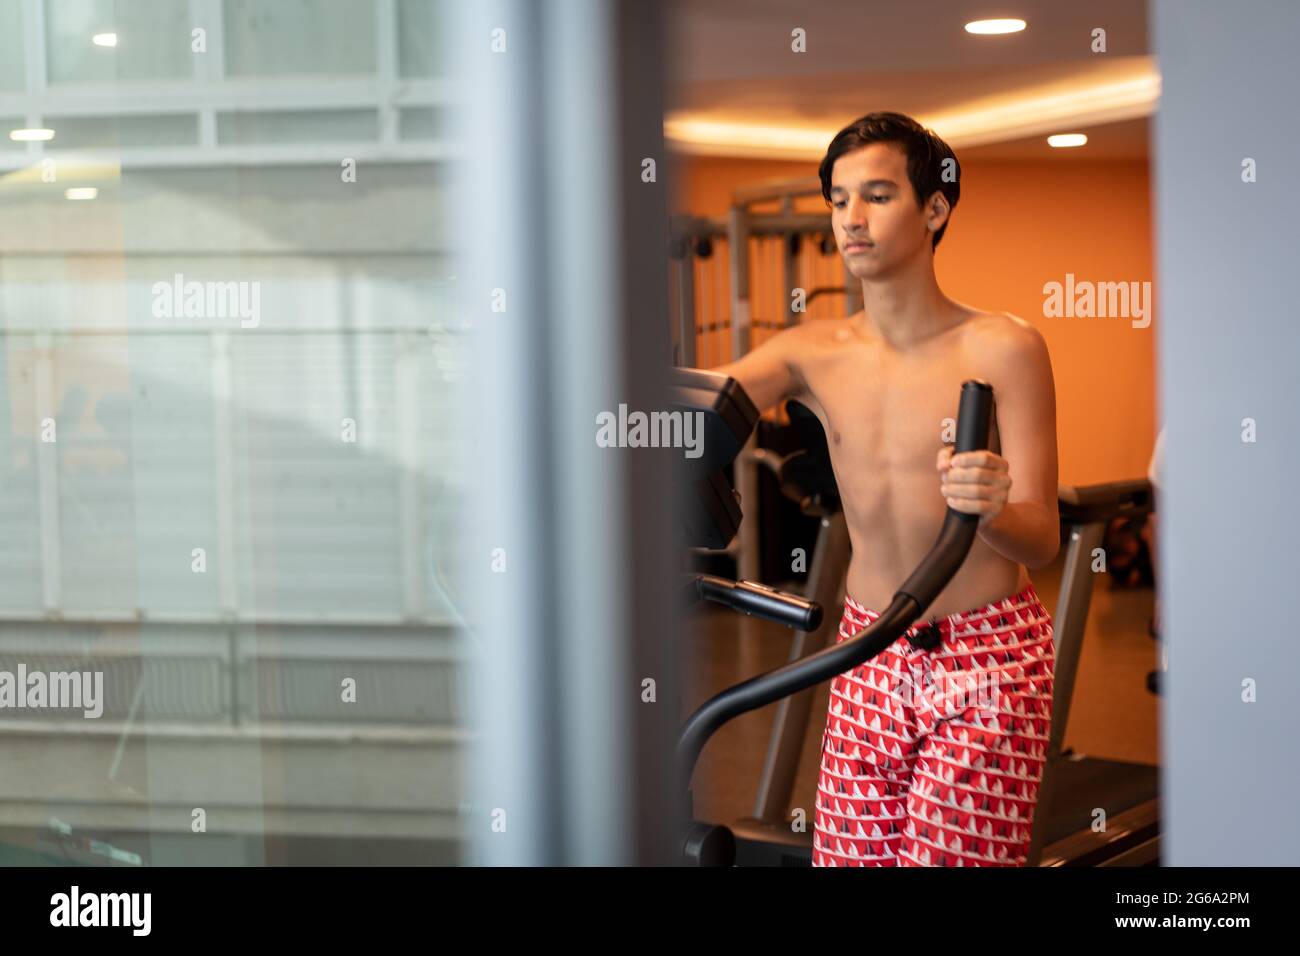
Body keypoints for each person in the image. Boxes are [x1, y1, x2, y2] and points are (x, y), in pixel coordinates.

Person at [711, 112, 1059, 867]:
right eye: (838, 201)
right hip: (867, 646)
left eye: (875, 195)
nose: (851, 220)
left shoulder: (1005, 346)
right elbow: (703, 404)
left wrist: (994, 509)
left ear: (934, 209)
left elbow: (1043, 535)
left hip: (986, 655)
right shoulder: (812, 351)